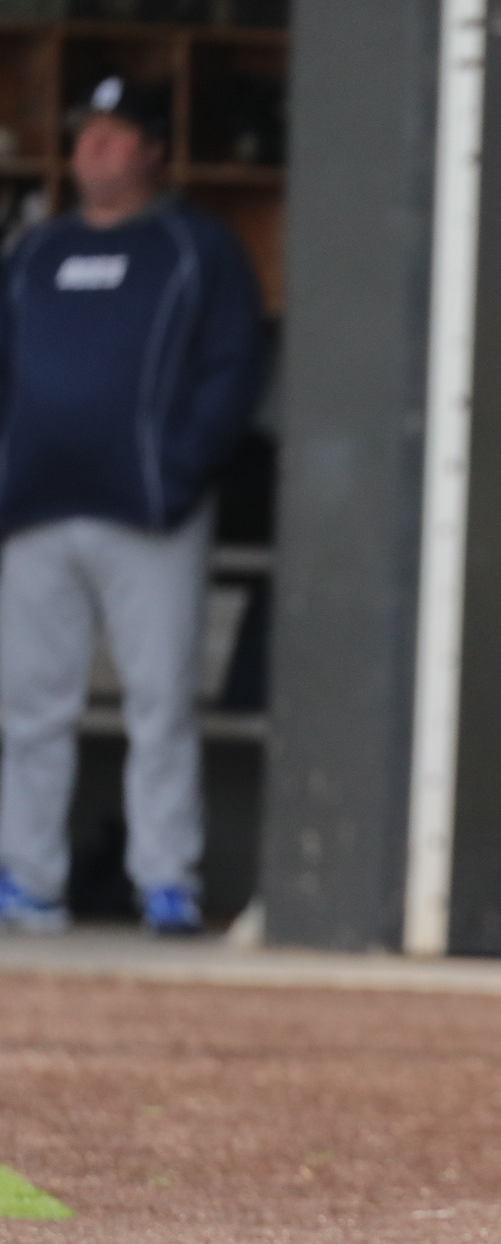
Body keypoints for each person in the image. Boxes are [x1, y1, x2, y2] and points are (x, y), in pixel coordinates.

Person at [0, 77, 266, 934]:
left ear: (154, 148)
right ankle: (28, 878)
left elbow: (234, 370)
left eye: (116, 137)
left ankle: (166, 879)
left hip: (150, 515)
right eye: (85, 136)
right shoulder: (36, 251)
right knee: (28, 706)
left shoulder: (197, 247)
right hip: (35, 510)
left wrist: (176, 473)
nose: (95, 151)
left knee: (161, 701)